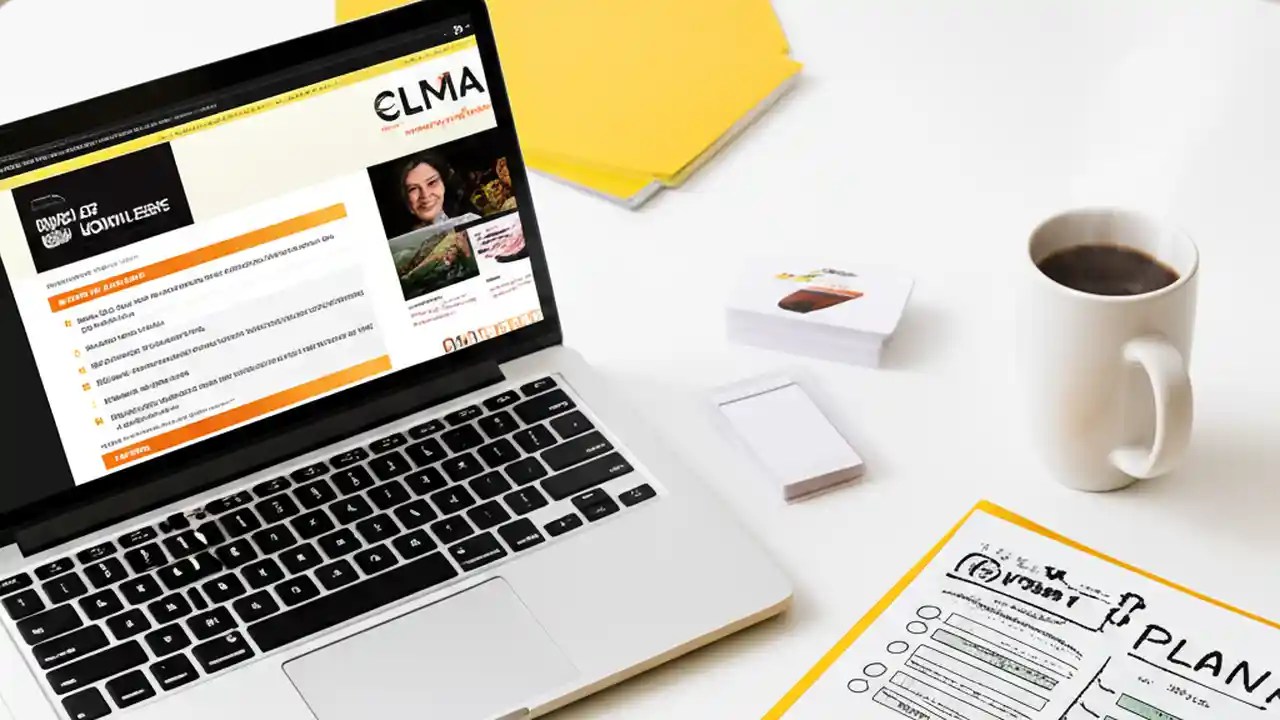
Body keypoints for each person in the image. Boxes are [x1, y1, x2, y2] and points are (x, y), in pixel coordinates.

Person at [397, 152, 479, 228]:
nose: (425, 194)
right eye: (413, 189)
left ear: (443, 184)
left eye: (431, 183)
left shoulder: (470, 222)